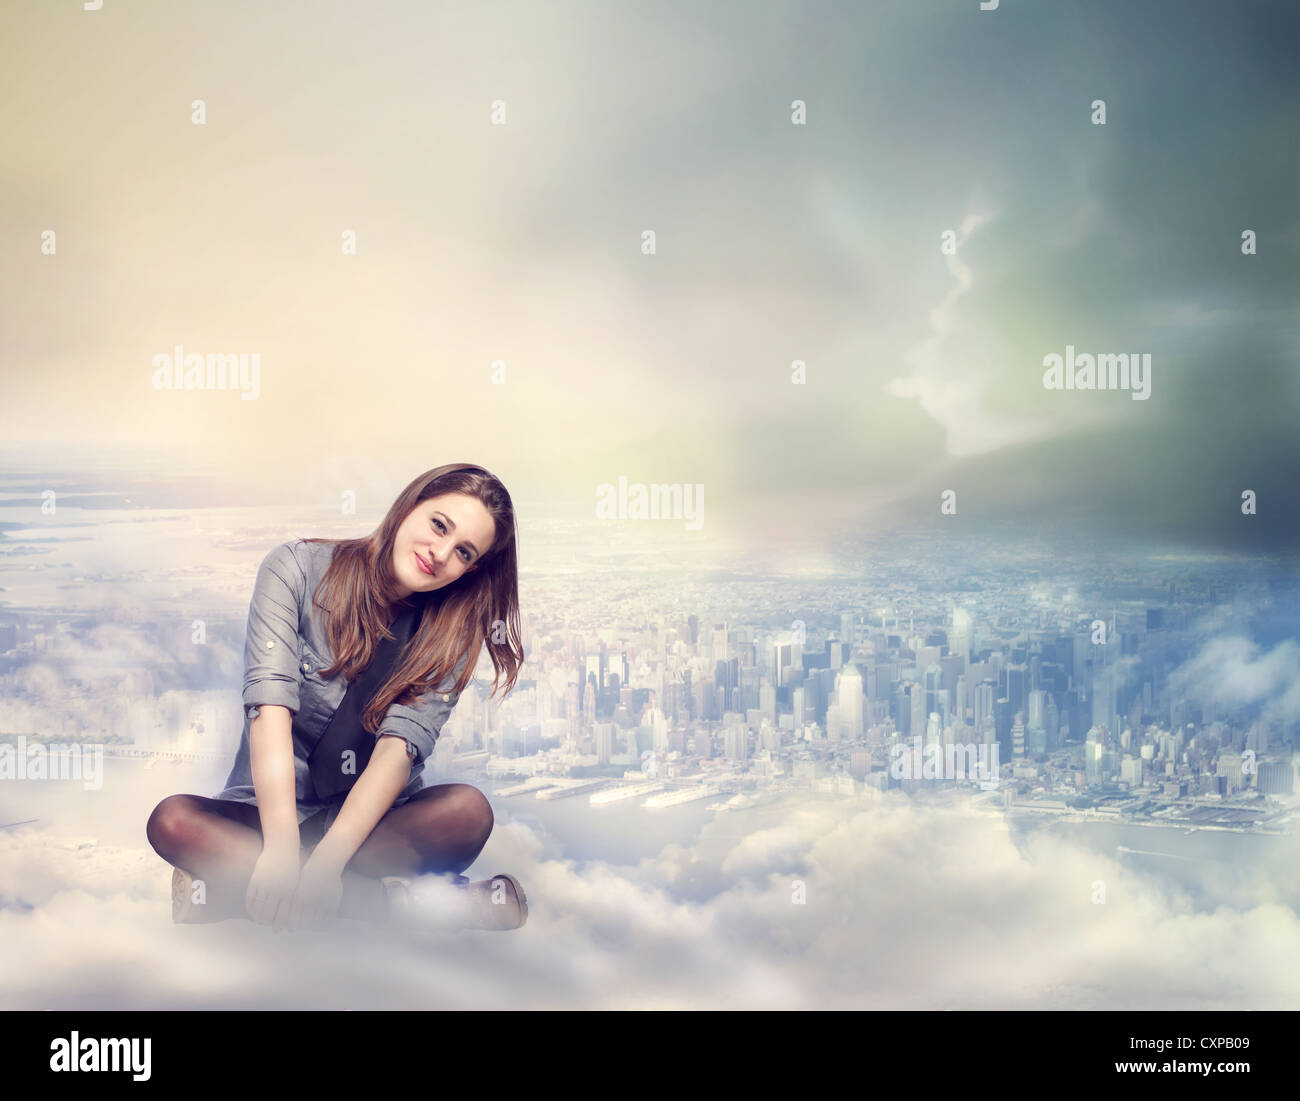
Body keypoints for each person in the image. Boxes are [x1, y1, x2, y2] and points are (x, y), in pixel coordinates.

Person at [146, 463, 528, 932]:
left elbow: (398, 749)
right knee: (173, 822)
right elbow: (269, 712)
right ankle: (399, 904)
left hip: (372, 829)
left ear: (470, 569)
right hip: (265, 815)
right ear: (409, 505)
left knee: (467, 814)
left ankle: (233, 893)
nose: (441, 552)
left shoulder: (452, 632)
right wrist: (282, 851)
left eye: (464, 552)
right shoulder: (295, 570)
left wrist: (326, 865)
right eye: (438, 524)